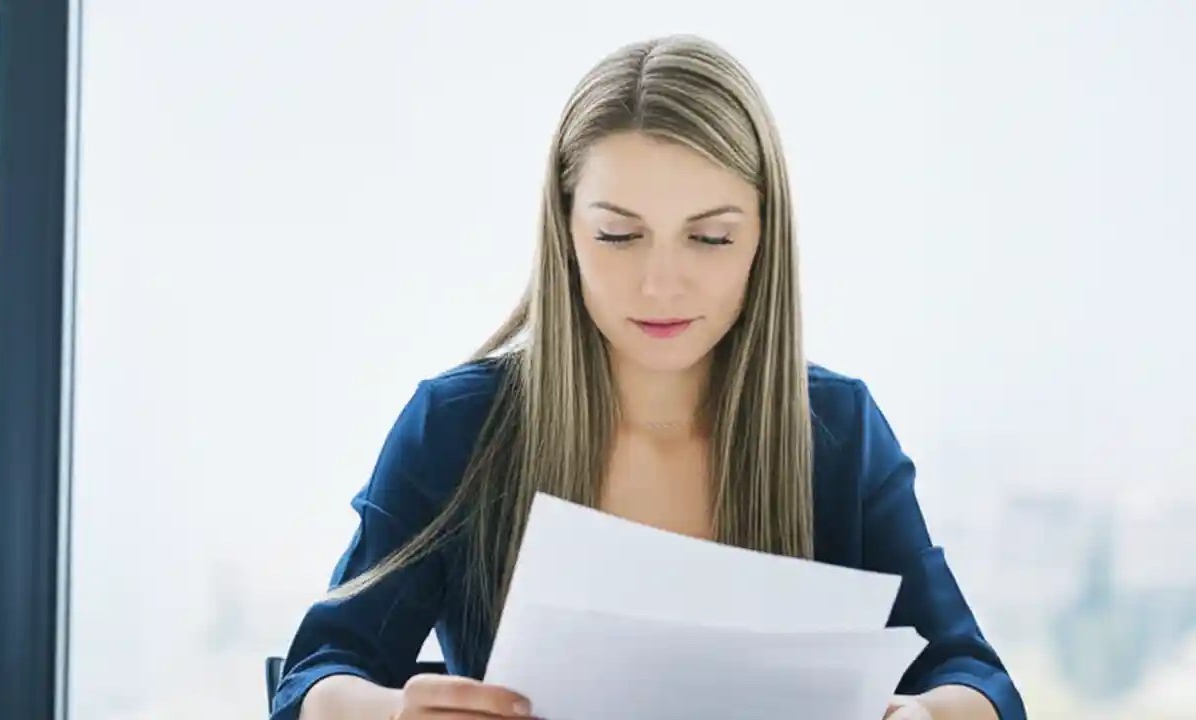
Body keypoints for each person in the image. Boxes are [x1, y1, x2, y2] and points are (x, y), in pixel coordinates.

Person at [270, 34, 1025, 720]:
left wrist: (924, 716)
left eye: (709, 237)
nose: (662, 284)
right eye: (620, 236)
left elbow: (973, 677)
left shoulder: (836, 431)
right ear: (565, 232)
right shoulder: (458, 429)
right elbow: (318, 676)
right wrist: (393, 713)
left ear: (764, 237)